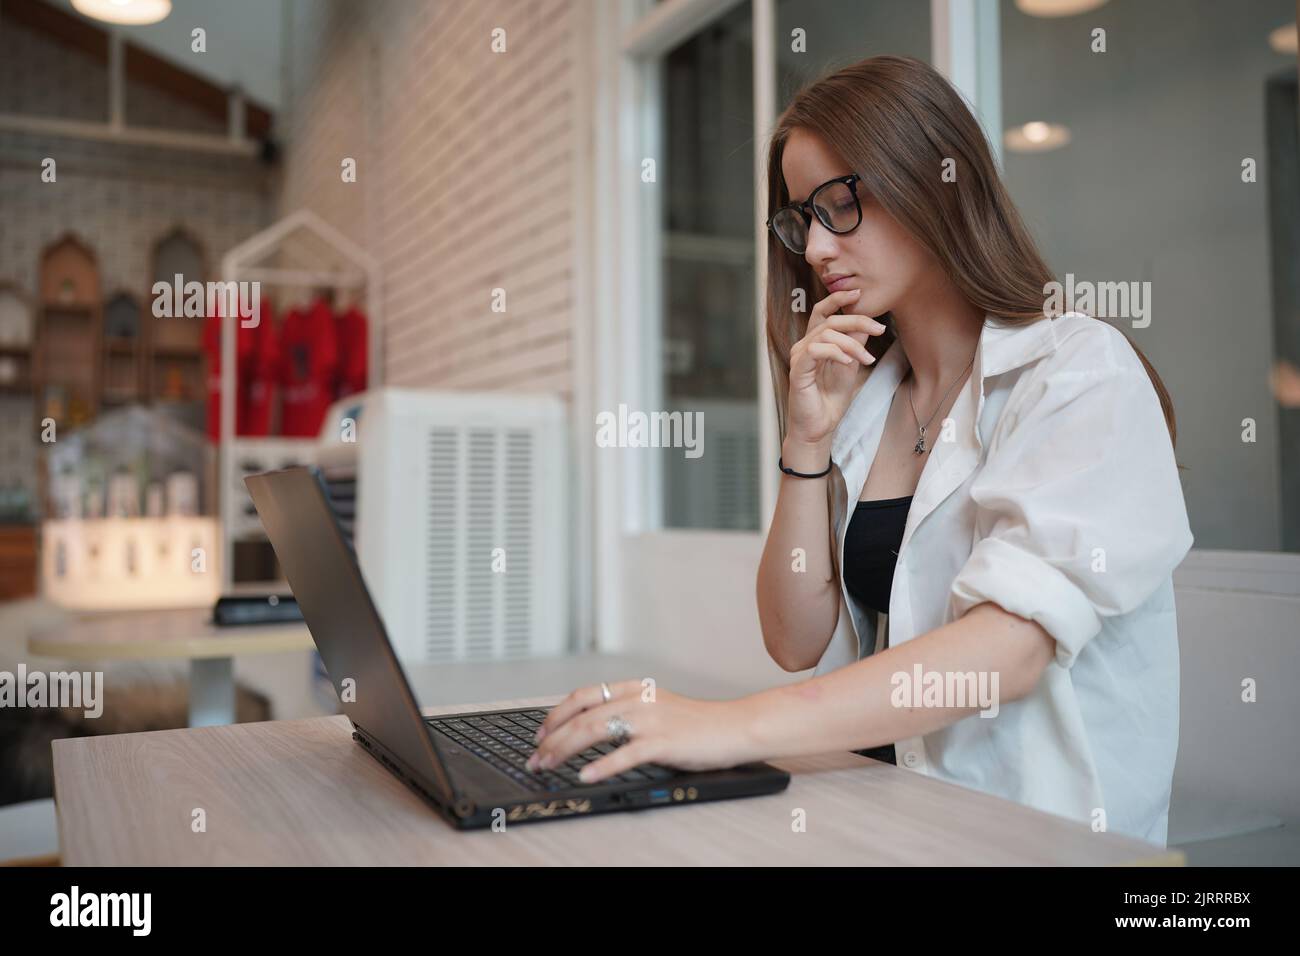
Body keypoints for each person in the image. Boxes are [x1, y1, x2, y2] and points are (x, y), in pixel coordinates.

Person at [527, 55, 1193, 846]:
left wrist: (733, 727)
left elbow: (1008, 650)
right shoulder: (869, 401)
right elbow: (794, 638)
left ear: (933, 182)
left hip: (1034, 840)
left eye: (838, 204)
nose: (812, 247)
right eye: (799, 217)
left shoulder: (1078, 372)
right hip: (890, 820)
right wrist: (806, 440)